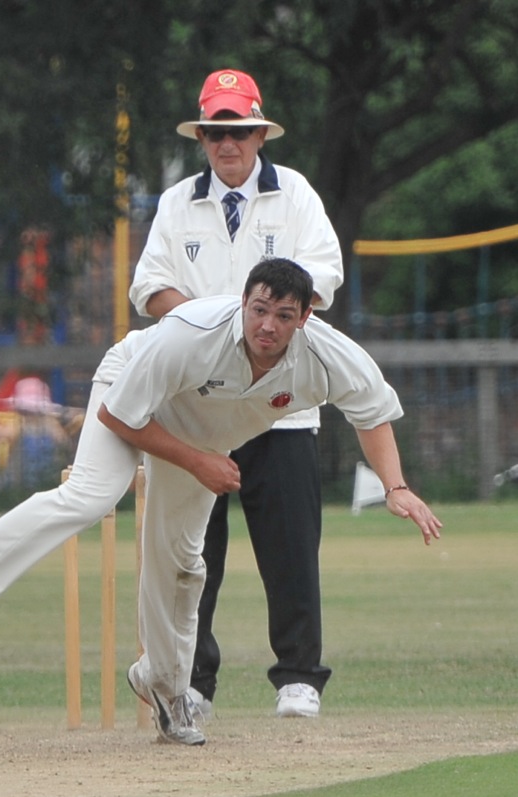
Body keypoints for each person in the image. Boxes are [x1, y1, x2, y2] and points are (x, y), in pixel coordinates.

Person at [0, 259, 442, 747]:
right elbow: (117, 416)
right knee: (90, 497)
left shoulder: (327, 355)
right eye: (258, 310)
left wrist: (395, 487)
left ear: (303, 319)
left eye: (282, 315)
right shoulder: (194, 333)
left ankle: (163, 684)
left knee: (181, 565)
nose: (267, 325)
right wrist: (197, 462)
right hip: (129, 396)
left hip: (201, 437)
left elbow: (372, 412)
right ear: (243, 303)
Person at [129, 68, 343, 719]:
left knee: (290, 548)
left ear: (259, 132)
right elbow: (149, 288)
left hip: (281, 403)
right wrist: (215, 327)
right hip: (198, 411)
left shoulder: (295, 195)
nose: (229, 143)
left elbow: (323, 277)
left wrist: (263, 320)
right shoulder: (176, 203)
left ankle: (299, 675)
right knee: (196, 554)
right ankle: (194, 680)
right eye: (217, 132)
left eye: (240, 130)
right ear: (202, 136)